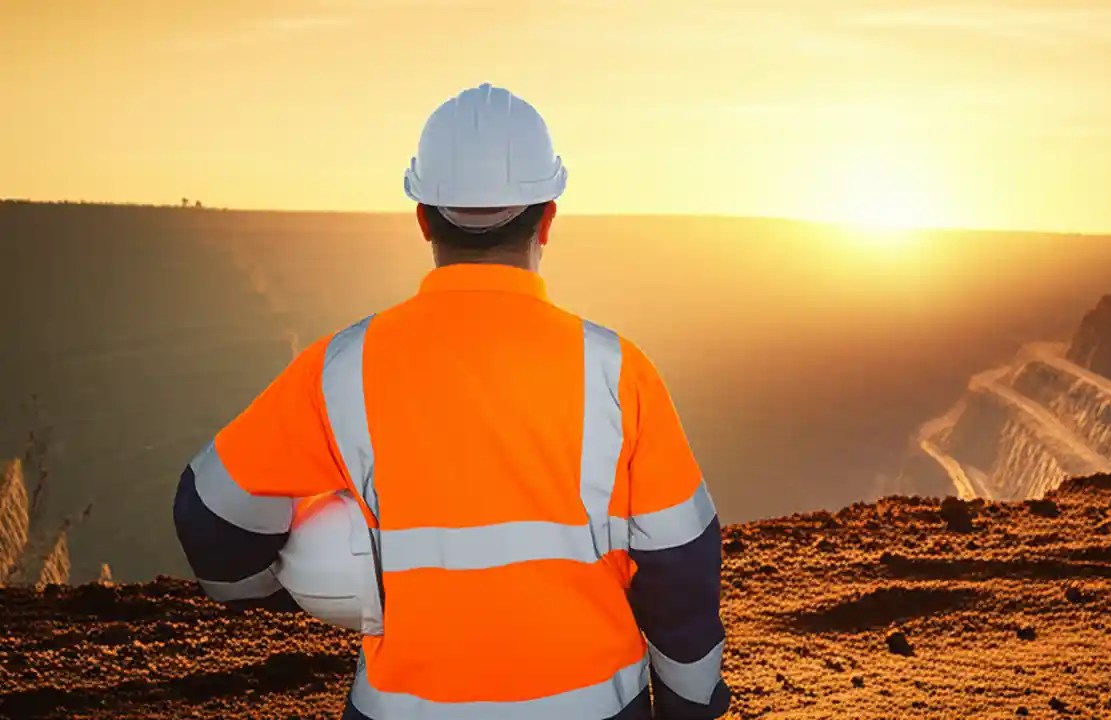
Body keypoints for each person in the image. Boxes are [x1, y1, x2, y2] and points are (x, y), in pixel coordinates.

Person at [172, 83, 731, 720]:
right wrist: (689, 706)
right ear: (548, 218)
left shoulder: (341, 368)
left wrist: (275, 590)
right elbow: (681, 564)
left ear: (423, 219)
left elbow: (208, 513)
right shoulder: (617, 371)